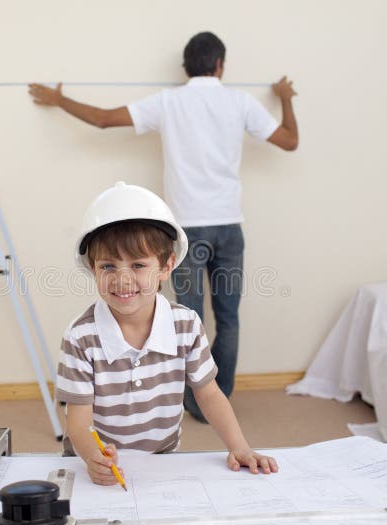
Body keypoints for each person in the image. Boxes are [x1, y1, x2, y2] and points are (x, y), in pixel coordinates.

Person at [30, 31, 299, 423]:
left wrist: (59, 100)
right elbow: (290, 140)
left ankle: (192, 401)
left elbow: (103, 120)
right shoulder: (240, 101)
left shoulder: (169, 102)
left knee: (185, 319)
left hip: (187, 228)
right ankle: (214, 400)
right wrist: (285, 98)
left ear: (185, 67)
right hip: (228, 227)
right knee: (228, 317)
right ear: (220, 65)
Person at [55, 182, 278, 486]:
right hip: (97, 465)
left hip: (161, 463)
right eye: (108, 266)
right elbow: (78, 421)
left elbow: (209, 394)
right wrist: (94, 457)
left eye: (138, 265)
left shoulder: (186, 324)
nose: (122, 279)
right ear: (92, 268)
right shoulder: (80, 337)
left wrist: (239, 446)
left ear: (167, 266)